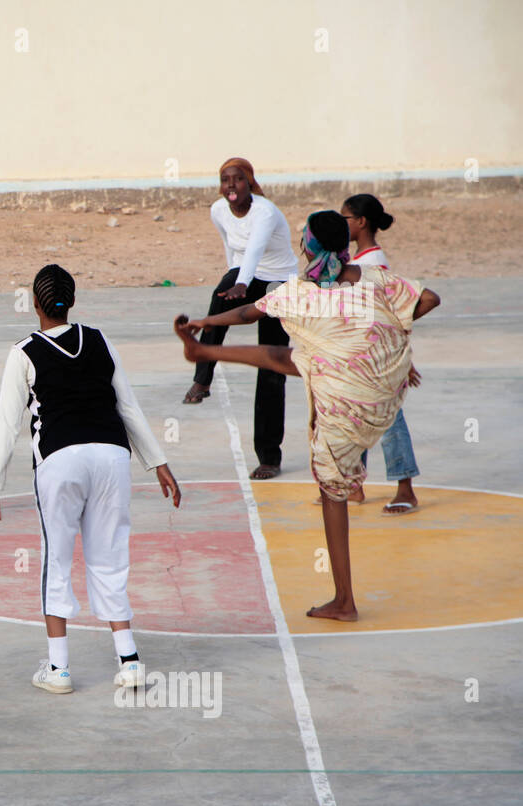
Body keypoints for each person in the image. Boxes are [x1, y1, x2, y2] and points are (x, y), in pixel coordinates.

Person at [174, 211, 441, 621]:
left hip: (344, 403)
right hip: (384, 393)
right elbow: (428, 299)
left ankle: (344, 601)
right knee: (304, 358)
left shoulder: (299, 292)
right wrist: (382, 340)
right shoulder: (372, 278)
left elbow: (249, 314)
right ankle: (208, 352)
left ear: (309, 247)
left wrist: (205, 322)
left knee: (331, 486)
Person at [0, 265, 180, 694]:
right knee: (109, 555)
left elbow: (6, 425)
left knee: (56, 557)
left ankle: (59, 670)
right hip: (111, 456)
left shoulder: (23, 352)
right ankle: (129, 662)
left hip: (60, 460)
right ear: (72, 302)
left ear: (35, 304)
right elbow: (127, 406)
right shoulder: (99, 339)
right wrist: (158, 462)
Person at [182, 158, 299, 481]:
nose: (231, 185)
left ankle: (269, 457)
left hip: (278, 280)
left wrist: (242, 283)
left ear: (249, 183)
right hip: (245, 275)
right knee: (219, 298)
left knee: (271, 367)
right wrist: (232, 280)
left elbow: (254, 251)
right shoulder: (217, 210)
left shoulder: (265, 212)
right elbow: (231, 251)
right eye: (225, 180)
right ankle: (203, 377)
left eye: (237, 179)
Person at [341, 193, 421, 514]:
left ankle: (405, 488)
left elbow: (387, 310)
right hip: (360, 353)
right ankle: (354, 485)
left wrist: (400, 357)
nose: (341, 222)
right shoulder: (359, 260)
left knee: (389, 420)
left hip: (377, 355)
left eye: (345, 217)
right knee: (354, 416)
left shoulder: (372, 262)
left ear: (361, 222)